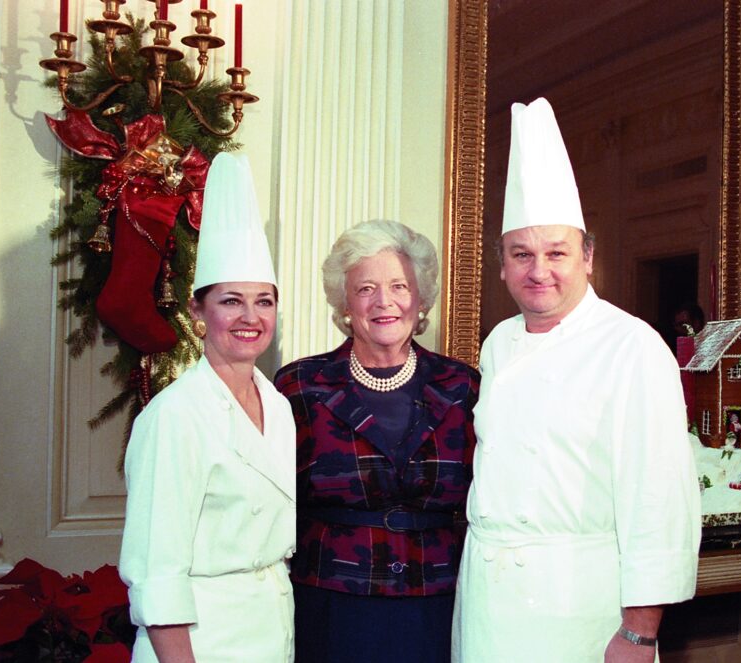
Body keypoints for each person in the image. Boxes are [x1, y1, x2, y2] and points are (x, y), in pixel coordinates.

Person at [452, 98, 702, 662]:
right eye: (521, 254)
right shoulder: (498, 343)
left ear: (588, 257)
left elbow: (658, 499)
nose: (539, 270)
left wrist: (640, 633)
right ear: (502, 265)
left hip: (581, 611)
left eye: (556, 252)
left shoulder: (632, 346)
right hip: (489, 605)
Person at [275, 220, 480, 663]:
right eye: (366, 288)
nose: (384, 302)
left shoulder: (462, 385)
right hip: (333, 599)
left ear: (420, 297)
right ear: (345, 302)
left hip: (438, 598)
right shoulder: (299, 385)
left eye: (399, 286)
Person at [119, 153, 296, 662]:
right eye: (230, 301)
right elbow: (157, 571)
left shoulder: (279, 406)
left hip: (269, 627)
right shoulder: (174, 416)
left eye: (264, 301)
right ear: (197, 310)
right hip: (197, 640)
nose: (250, 317)